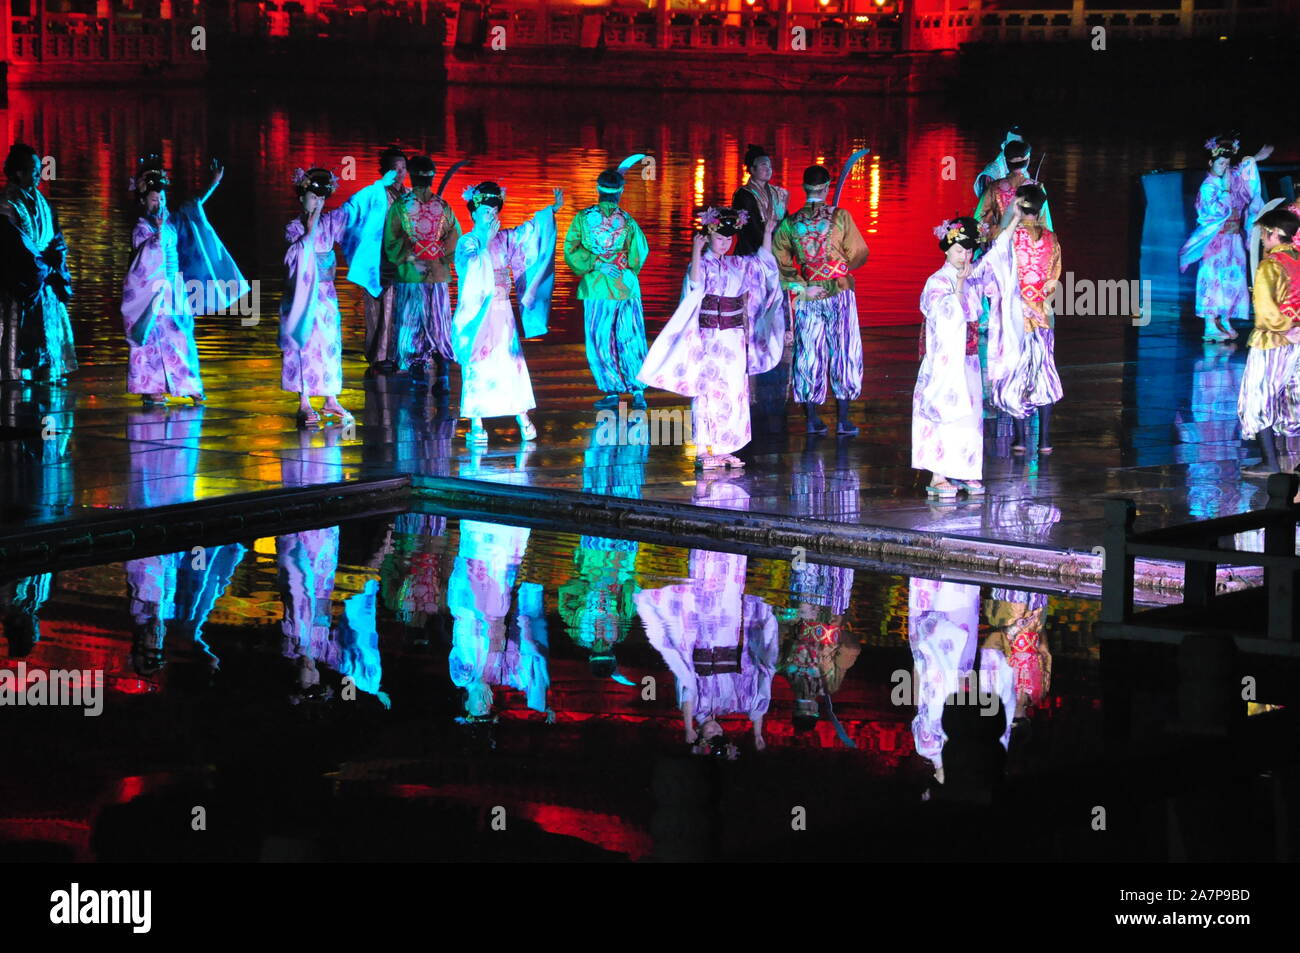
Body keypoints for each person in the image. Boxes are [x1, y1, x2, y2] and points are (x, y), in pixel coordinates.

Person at [638, 206, 784, 469]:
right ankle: (704, 450)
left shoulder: (737, 264)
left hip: (734, 338)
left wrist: (767, 234)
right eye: (719, 238)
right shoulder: (702, 264)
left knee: (734, 390)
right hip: (709, 337)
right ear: (708, 237)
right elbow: (695, 285)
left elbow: (764, 265)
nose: (724, 244)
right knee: (707, 391)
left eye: (728, 239)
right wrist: (696, 251)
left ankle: (724, 448)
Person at [121, 155, 247, 405]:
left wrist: (213, 183)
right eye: (154, 199)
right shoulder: (141, 228)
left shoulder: (171, 222)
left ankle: (189, 384)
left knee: (181, 334)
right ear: (143, 200)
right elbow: (142, 258)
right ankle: (151, 387)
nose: (159, 203)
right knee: (150, 336)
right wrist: (157, 235)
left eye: (162, 199)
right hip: (151, 290)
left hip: (174, 288)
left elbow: (194, 205)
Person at [281, 164, 397, 427]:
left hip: (325, 295)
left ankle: (330, 398)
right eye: (313, 197)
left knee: (329, 344)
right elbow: (292, 259)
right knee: (303, 344)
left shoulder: (330, 222)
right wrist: (309, 232)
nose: (318, 203)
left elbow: (355, 207)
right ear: (301, 197)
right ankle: (304, 401)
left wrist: (379, 186)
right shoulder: (293, 227)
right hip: (301, 296)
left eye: (322, 198)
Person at [451, 181, 562, 444]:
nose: (491, 216)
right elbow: (469, 270)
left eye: (494, 211)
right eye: (485, 212)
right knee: (478, 363)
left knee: (510, 363)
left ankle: (523, 418)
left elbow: (529, 232)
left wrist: (550, 212)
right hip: (477, 313)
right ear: (473, 213)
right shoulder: (468, 242)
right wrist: (485, 242)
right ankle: (477, 423)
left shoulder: (505, 239)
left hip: (502, 313)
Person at [913, 216, 1008, 497]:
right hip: (943, 361)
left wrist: (1013, 219)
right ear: (946, 250)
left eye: (968, 251)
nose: (964, 256)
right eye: (958, 251)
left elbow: (996, 259)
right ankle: (937, 475)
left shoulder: (972, 276)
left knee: (970, 415)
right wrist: (959, 285)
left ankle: (966, 471)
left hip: (968, 360)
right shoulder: (936, 281)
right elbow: (945, 316)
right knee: (944, 412)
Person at [772, 165, 868, 436]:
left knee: (808, 353)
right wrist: (839, 267)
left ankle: (812, 420)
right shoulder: (841, 216)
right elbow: (859, 252)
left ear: (804, 189)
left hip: (808, 293)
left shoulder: (790, 223)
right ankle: (843, 420)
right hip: (839, 290)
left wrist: (801, 286)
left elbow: (778, 263)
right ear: (826, 188)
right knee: (844, 350)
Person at [564, 162, 650, 410]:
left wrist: (597, 263)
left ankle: (611, 391)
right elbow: (639, 253)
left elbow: (571, 250)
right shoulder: (628, 220)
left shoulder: (583, 218)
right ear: (620, 191)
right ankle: (638, 391)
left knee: (600, 337)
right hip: (624, 286)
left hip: (597, 287)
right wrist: (624, 271)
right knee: (630, 336)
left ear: (598, 189)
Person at [984, 185, 1063, 454]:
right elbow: (1053, 278)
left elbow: (994, 262)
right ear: (1040, 210)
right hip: (1042, 316)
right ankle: (1045, 441)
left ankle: (1019, 440)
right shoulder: (1051, 238)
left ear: (1019, 206)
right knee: (1043, 374)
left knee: (1016, 373)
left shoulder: (1010, 238)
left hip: (1016, 317)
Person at [1179, 134, 1271, 343]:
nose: (1224, 167)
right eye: (1220, 163)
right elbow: (1214, 212)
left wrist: (1254, 158)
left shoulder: (1229, 177)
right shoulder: (1208, 186)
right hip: (1216, 242)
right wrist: (1226, 190)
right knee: (1213, 280)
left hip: (1233, 239)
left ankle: (1225, 319)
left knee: (1233, 279)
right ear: (1211, 163)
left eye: (1227, 163)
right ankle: (1210, 325)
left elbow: (1244, 177)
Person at [383, 153, 461, 393]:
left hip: (411, 276)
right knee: (439, 325)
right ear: (431, 178)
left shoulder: (401, 206)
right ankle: (443, 376)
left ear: (412, 176)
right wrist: (439, 259)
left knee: (412, 326)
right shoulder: (443, 206)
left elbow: (391, 242)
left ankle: (418, 379)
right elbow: (455, 238)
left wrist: (410, 256)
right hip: (437, 277)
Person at [0, 144, 75, 384]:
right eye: (34, 170)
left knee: (47, 325)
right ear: (19, 172)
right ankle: (16, 375)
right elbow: (15, 244)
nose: (38, 175)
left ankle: (46, 372)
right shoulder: (6, 203)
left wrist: (55, 263)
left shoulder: (43, 202)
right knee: (15, 324)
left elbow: (57, 238)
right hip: (22, 280)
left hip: (45, 276)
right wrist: (40, 267)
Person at [732, 144, 794, 433]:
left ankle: (777, 334)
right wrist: (767, 244)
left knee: (776, 296)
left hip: (776, 253)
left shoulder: (778, 194)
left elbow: (787, 221)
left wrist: (784, 241)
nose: (768, 169)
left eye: (770, 165)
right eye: (762, 165)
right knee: (755, 300)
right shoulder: (744, 195)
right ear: (751, 169)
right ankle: (753, 336)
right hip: (753, 254)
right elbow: (747, 228)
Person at [1238, 207, 1300, 477]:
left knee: (1259, 396)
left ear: (1275, 233)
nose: (1262, 239)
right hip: (1297, 340)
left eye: (1264, 233)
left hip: (1272, 341)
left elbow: (1265, 310)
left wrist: (1285, 329)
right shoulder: (1297, 259)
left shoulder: (1271, 265)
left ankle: (1270, 463)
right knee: (1293, 398)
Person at [363, 145, 410, 373]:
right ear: (385, 171)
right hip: (380, 259)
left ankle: (400, 353)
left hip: (404, 261)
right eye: (394, 168)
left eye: (403, 168)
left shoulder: (409, 195)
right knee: (381, 307)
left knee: (403, 308)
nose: (400, 173)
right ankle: (379, 355)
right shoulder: (377, 195)